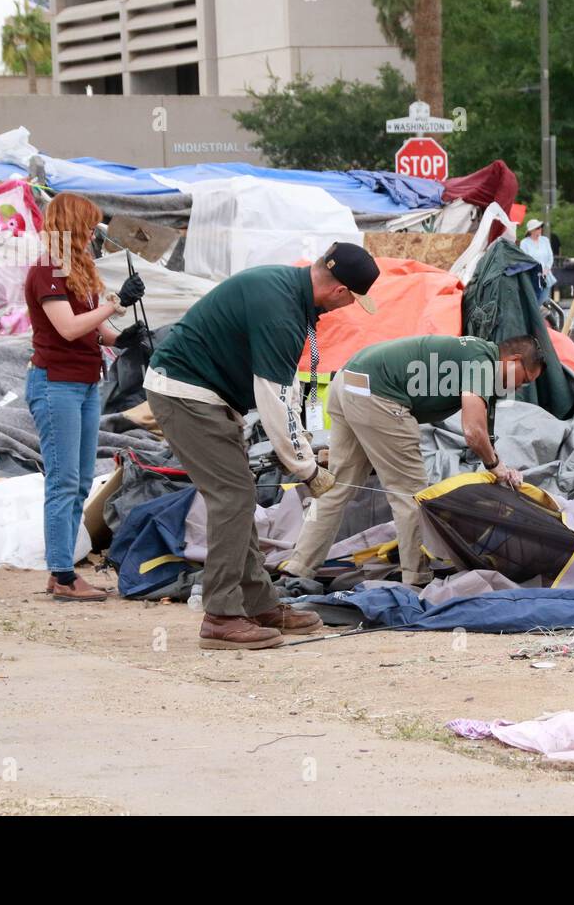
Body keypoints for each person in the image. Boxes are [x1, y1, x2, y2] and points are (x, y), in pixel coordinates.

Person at [144, 242, 379, 651]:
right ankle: (221, 616)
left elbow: (284, 395)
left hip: (207, 396)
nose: (345, 309)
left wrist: (302, 448)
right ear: (341, 292)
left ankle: (257, 603)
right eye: (351, 302)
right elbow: (273, 397)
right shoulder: (282, 311)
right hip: (186, 393)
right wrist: (306, 468)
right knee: (232, 498)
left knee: (238, 497)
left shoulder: (286, 289)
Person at [280, 334, 544, 587]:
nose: (520, 388)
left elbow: (483, 431)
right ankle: (416, 578)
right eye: (525, 380)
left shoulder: (473, 352)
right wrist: (494, 465)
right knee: (411, 495)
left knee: (336, 488)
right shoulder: (483, 362)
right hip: (379, 393)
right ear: (513, 360)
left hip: (348, 380)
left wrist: (499, 463)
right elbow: (473, 432)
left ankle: (298, 567)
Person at [25, 193, 145, 602]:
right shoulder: (46, 270)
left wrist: (123, 336)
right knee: (63, 481)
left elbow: (95, 330)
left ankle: (61, 568)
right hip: (55, 383)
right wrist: (117, 303)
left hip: (85, 382)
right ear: (73, 227)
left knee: (77, 483)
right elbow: (69, 328)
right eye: (89, 226)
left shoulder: (79, 269)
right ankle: (62, 574)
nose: (95, 233)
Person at [519, 218, 555, 301]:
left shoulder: (545, 240)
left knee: (543, 301)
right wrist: (537, 272)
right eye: (538, 228)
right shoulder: (524, 243)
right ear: (531, 230)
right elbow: (524, 260)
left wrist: (545, 272)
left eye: (541, 227)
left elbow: (550, 258)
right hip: (532, 277)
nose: (540, 229)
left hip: (546, 277)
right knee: (534, 303)